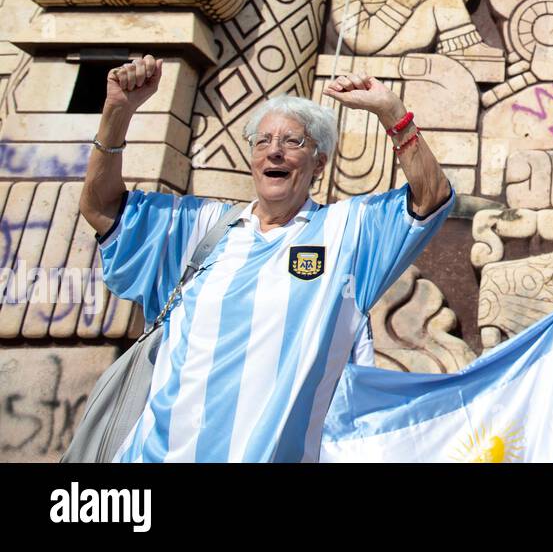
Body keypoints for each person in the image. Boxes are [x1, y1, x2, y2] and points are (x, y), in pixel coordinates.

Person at [79, 55, 454, 462]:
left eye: (293, 142)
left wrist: (393, 113)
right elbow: (102, 208)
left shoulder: (349, 232)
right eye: (263, 141)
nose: (274, 151)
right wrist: (118, 110)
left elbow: (431, 197)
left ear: (318, 164)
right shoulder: (201, 227)